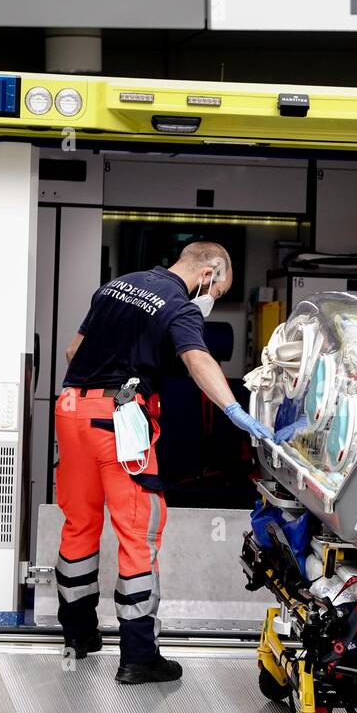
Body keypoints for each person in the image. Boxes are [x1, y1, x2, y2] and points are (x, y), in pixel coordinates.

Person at [56, 241, 276, 684]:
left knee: (78, 524)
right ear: (210, 274)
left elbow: (72, 353)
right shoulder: (180, 305)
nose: (214, 299)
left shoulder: (116, 286)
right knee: (138, 532)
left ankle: (79, 635)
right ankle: (139, 655)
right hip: (116, 423)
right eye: (220, 290)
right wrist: (235, 409)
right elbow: (198, 359)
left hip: (71, 411)